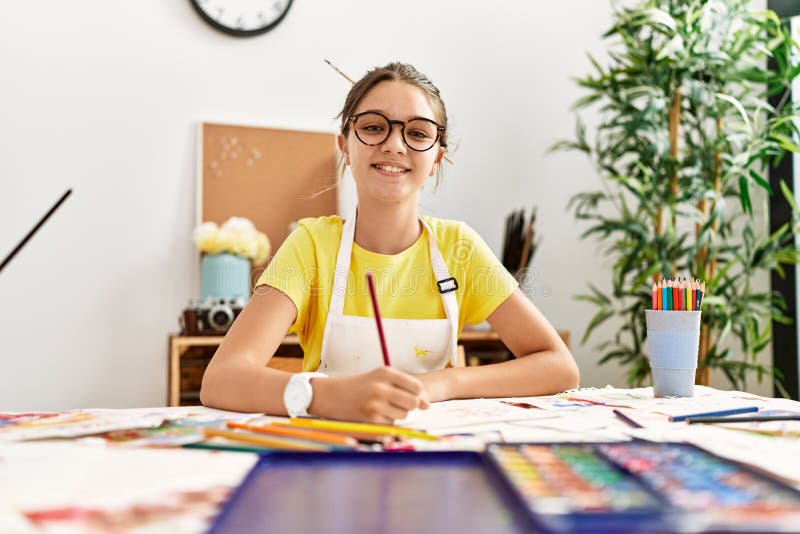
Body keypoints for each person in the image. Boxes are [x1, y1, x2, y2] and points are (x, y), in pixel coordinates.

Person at [200, 62, 579, 423]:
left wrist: (445, 383)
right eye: (373, 126)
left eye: (416, 132)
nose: (395, 144)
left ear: (437, 159)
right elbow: (222, 379)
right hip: (335, 455)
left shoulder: (459, 249)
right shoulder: (311, 246)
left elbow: (559, 366)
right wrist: (327, 396)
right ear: (345, 146)